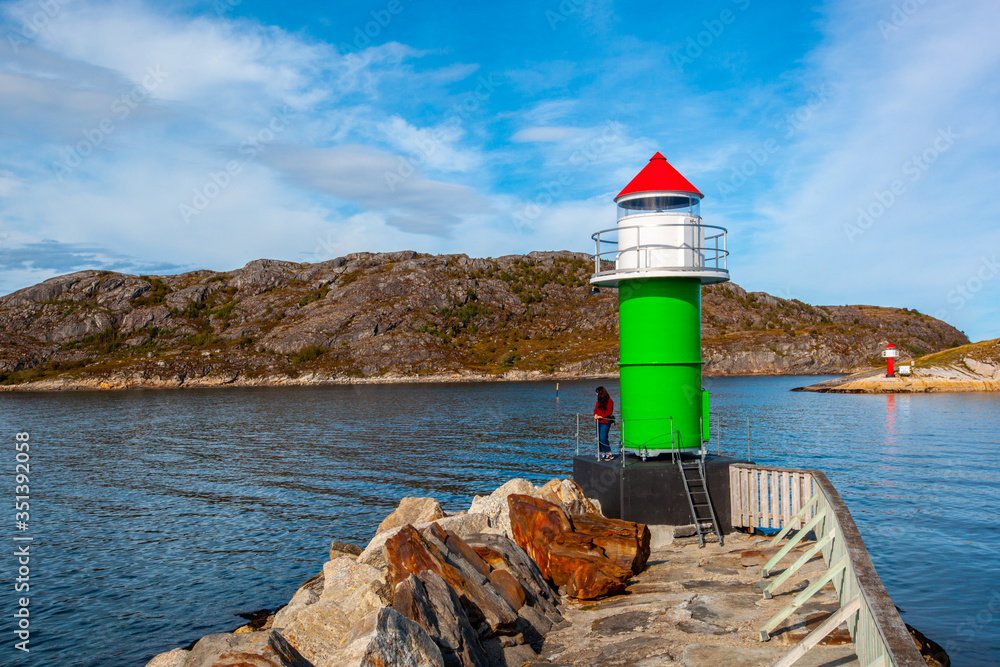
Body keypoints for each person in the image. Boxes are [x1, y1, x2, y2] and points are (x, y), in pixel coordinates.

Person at [593, 386, 615, 460]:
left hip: (605, 421)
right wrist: (595, 415)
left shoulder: (609, 401)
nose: (596, 394)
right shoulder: (598, 401)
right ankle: (603, 453)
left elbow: (609, 411)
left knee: (603, 437)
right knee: (598, 438)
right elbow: (595, 409)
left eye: (597, 392)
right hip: (598, 421)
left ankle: (609, 453)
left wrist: (601, 416)